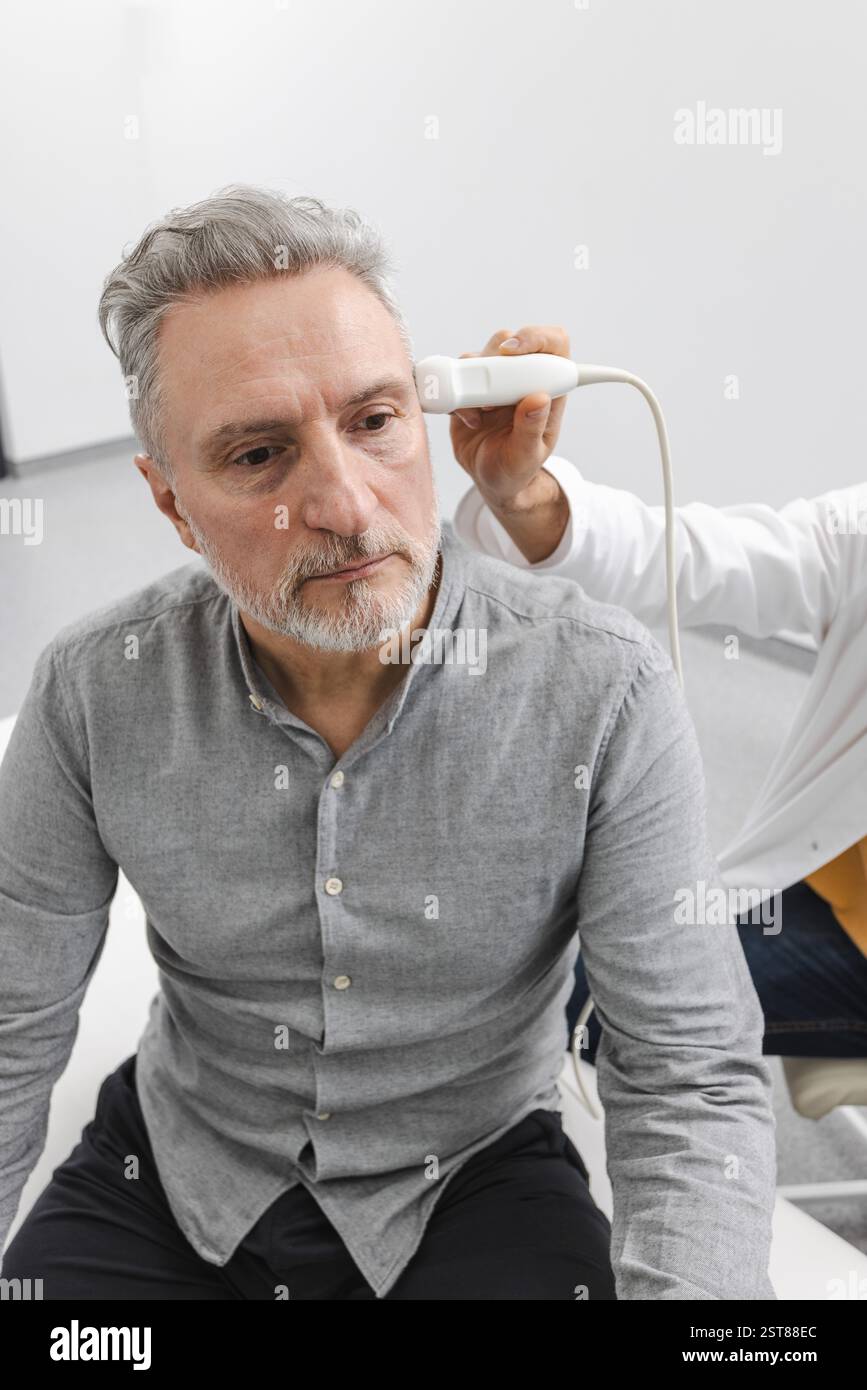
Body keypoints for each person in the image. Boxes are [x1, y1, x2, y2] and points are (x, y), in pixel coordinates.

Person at [0, 187, 776, 1301]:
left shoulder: (603, 692)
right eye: (261, 454)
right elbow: (10, 1026)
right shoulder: (91, 695)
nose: (348, 505)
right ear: (171, 502)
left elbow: (691, 1076)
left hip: (474, 1178)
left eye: (373, 421)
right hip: (174, 1182)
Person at [451, 326, 867, 1065]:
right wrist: (524, 495)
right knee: (563, 971)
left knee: (588, 1004)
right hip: (830, 880)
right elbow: (675, 557)